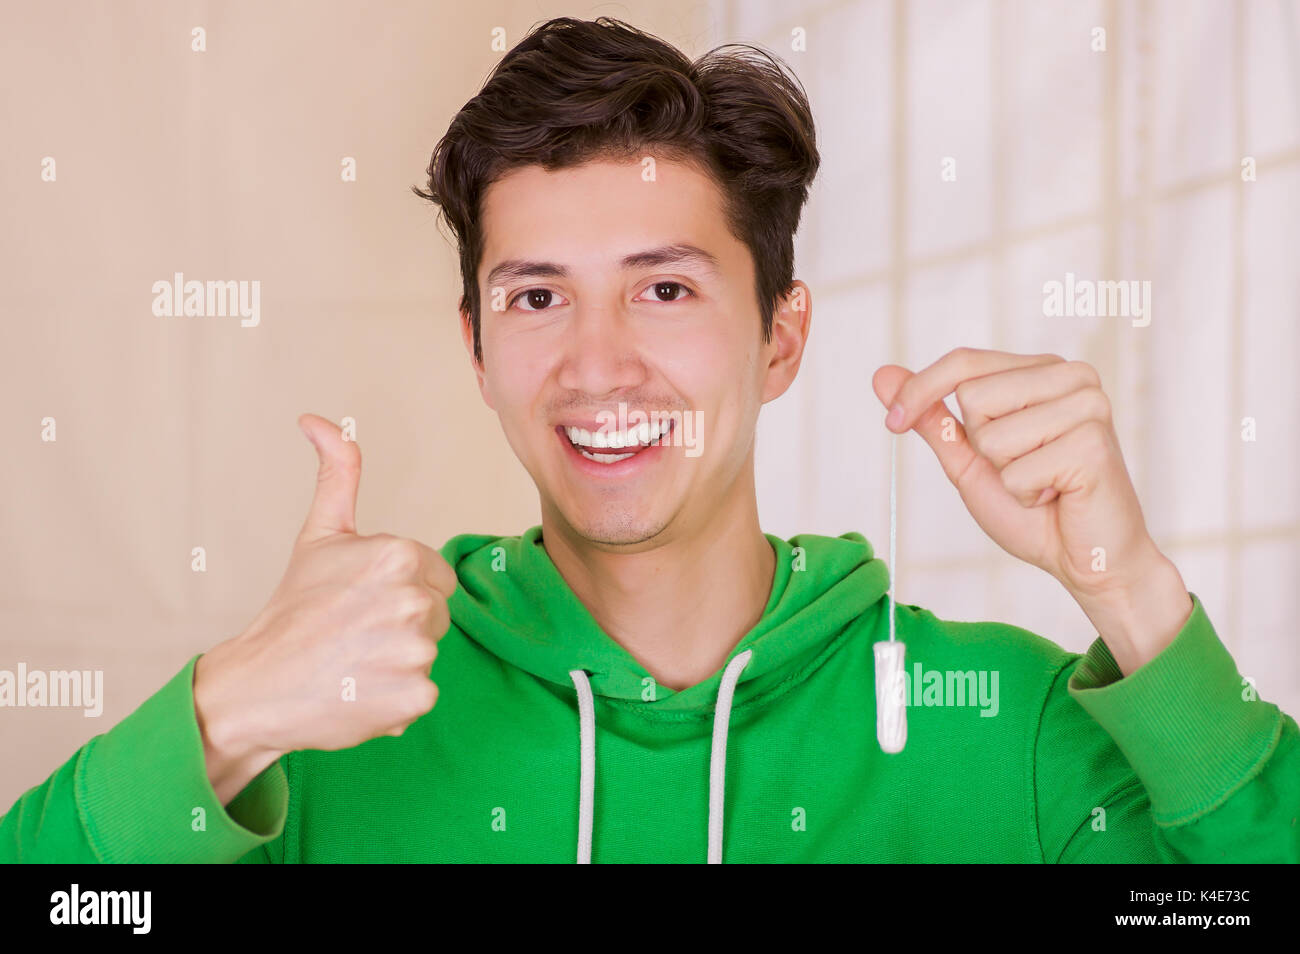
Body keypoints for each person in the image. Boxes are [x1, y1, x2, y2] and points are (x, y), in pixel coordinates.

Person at [3, 16, 1295, 863]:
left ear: (780, 337)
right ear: (476, 347)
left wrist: (1132, 597)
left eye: (666, 288)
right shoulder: (331, 737)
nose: (598, 362)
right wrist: (225, 714)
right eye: (537, 294)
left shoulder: (1000, 727)